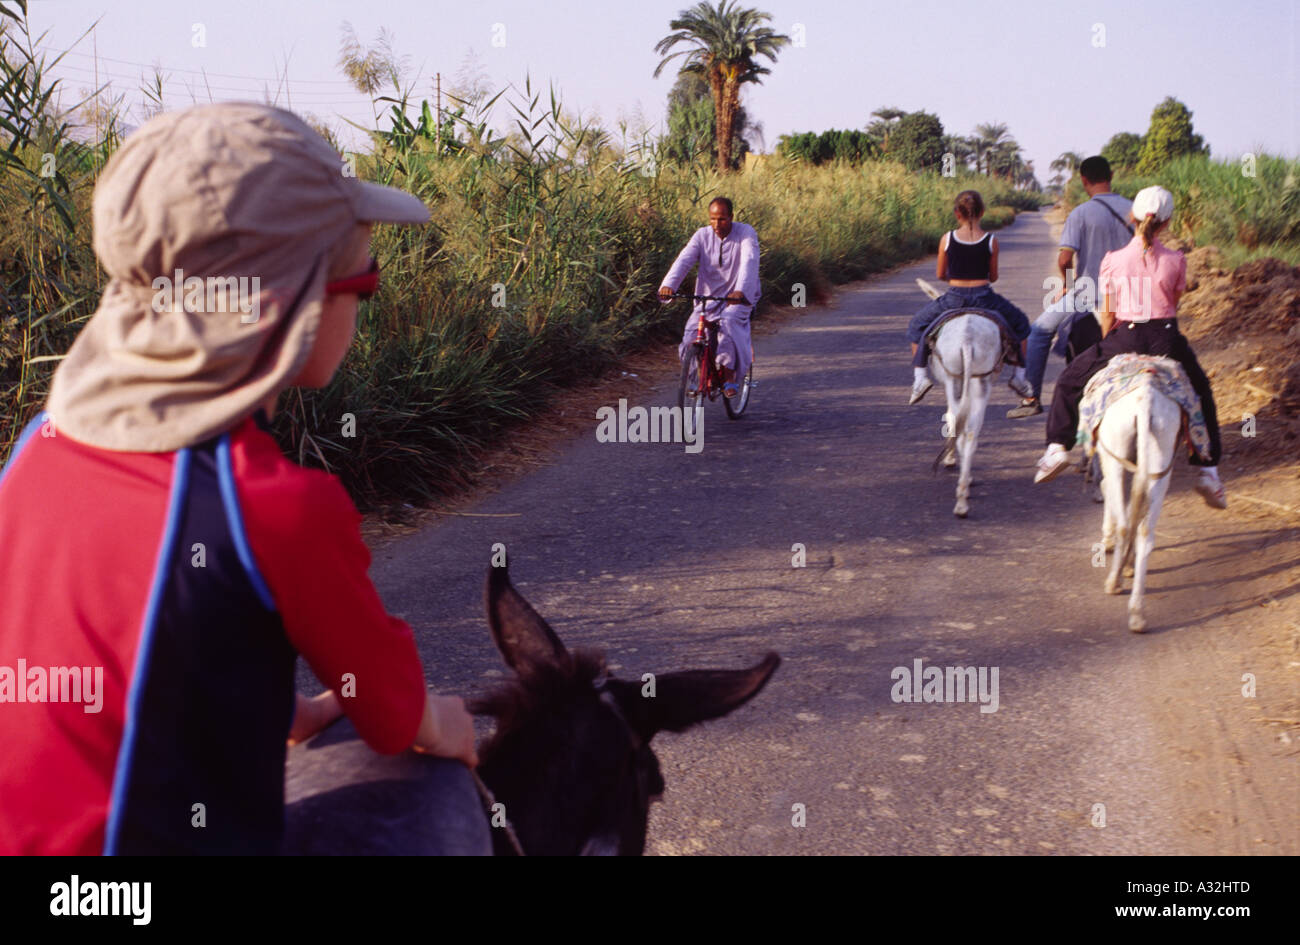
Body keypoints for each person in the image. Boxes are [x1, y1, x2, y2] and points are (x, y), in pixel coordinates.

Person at [0, 103, 482, 855]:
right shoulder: (272, 505)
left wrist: (280, 710)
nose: (364, 300)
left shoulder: (38, 446)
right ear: (289, 300)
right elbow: (392, 714)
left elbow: (105, 643)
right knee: (447, 799)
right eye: (366, 277)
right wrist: (444, 722)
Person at [1033, 186, 1227, 508]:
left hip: (1125, 336)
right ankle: (1209, 471)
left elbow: (1108, 313)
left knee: (1069, 380)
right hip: (1166, 338)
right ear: (1166, 223)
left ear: (1132, 218)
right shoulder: (1177, 260)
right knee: (1202, 391)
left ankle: (1057, 448)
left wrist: (1108, 343)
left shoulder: (1113, 260)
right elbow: (1172, 304)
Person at [1008, 155, 1133, 418]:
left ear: (1084, 181)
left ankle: (1031, 397)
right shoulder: (1133, 210)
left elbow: (1065, 258)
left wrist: (1066, 285)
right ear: (1111, 177)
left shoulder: (1081, 213)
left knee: (1039, 332)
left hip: (1089, 293)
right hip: (1131, 294)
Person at [906, 190, 1033, 404]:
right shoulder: (991, 241)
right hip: (985, 297)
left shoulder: (946, 239)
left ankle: (920, 378)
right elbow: (993, 276)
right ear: (982, 212)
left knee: (916, 326)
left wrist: (956, 278)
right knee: (1021, 324)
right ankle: (1019, 377)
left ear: (957, 213)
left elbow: (940, 274)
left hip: (954, 297)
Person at [658, 197, 759, 398]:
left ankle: (730, 376)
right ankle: (699, 378)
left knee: (729, 324)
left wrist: (740, 291)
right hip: (708, 298)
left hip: (738, 298)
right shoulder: (701, 236)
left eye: (722, 219)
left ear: (731, 217)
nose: (716, 225)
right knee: (690, 336)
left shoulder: (746, 233)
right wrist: (668, 285)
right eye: (712, 219)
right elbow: (684, 259)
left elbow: (749, 261)